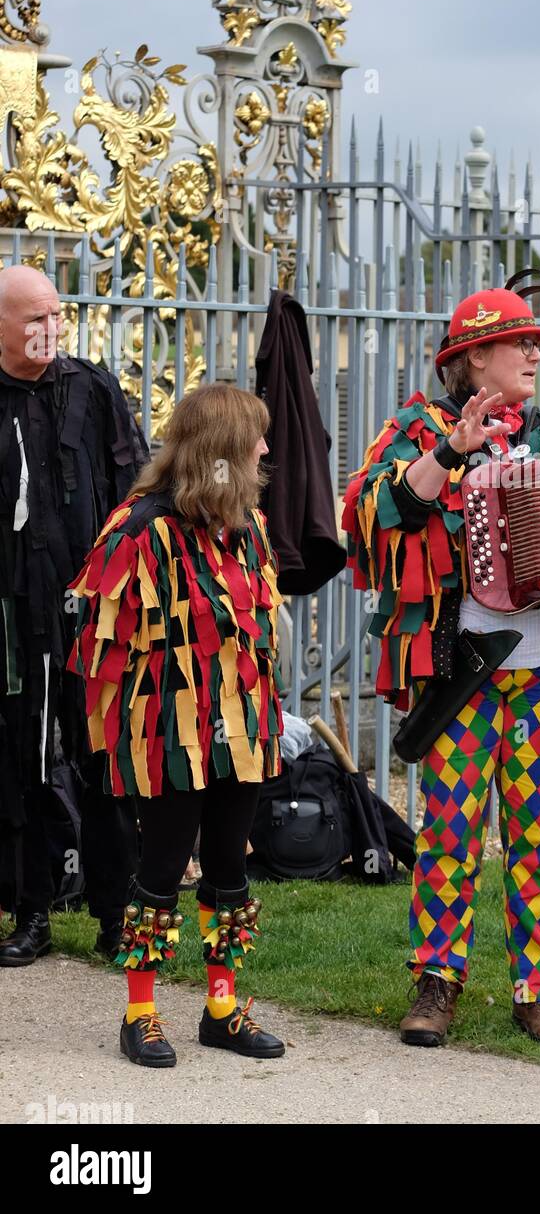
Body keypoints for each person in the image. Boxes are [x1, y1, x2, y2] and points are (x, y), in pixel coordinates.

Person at [343, 276, 540, 1047]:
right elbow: (373, 517)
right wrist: (450, 452)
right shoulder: (417, 429)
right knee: (449, 833)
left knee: (538, 836)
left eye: (536, 345)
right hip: (463, 673)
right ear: (475, 357)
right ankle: (436, 983)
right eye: (521, 344)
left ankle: (538, 990)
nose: (534, 355)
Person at [66, 382, 287, 1067]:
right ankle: (140, 1012)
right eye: (254, 437)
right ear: (223, 450)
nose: (265, 449)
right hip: (165, 730)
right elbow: (98, 650)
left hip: (241, 725)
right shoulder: (140, 529)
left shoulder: (245, 528)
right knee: (161, 869)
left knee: (230, 869)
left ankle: (221, 1007)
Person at [0, 264, 144, 965]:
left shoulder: (93, 389)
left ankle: (116, 915)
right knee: (24, 766)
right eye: (34, 318)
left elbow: (136, 493)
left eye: (56, 314)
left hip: (94, 620)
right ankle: (32, 915)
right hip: (14, 622)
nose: (50, 328)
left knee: (105, 766)